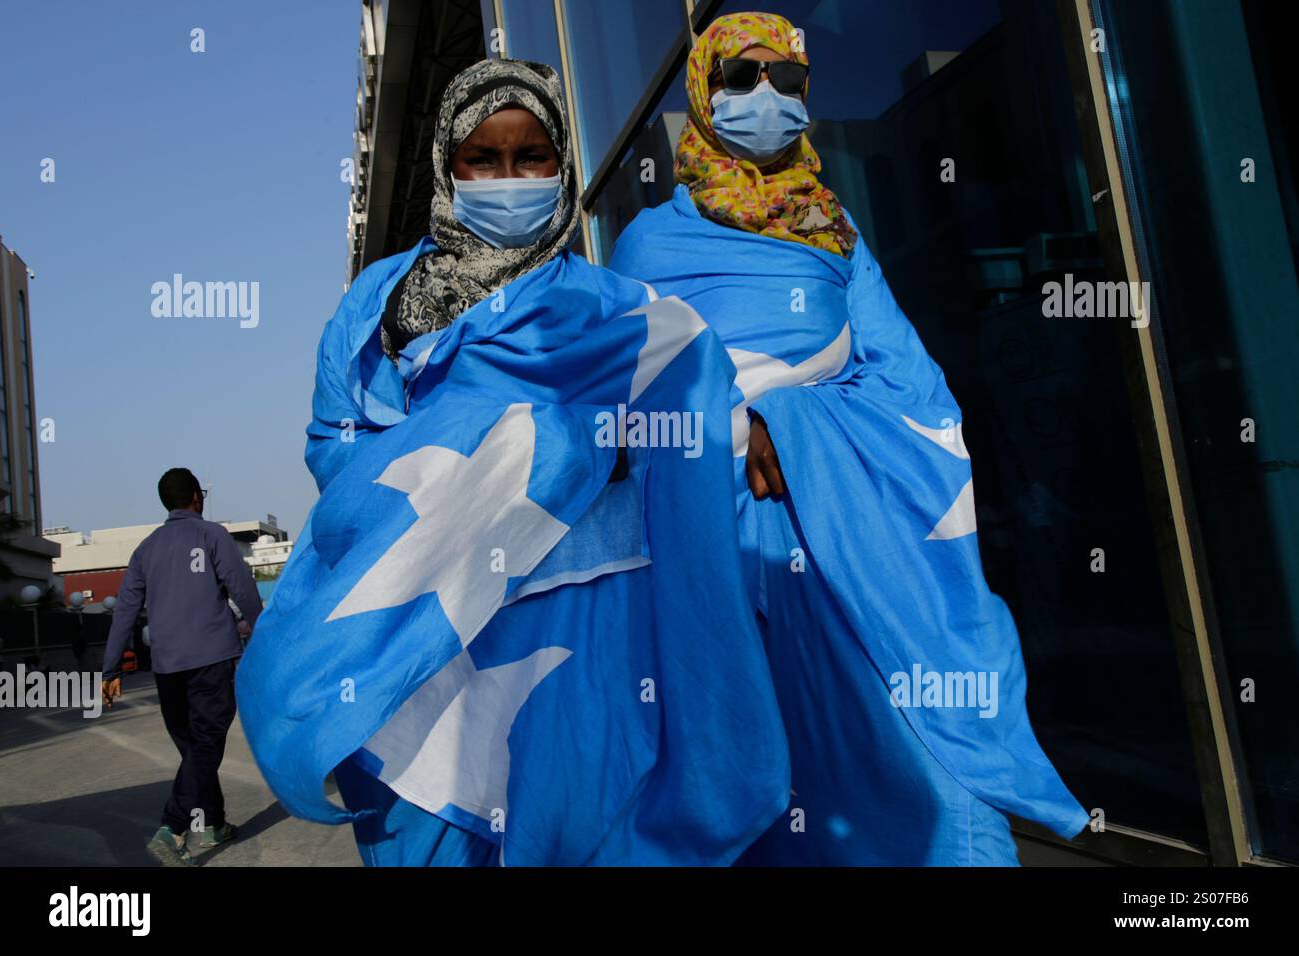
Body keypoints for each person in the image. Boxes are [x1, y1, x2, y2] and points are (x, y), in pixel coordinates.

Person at [236, 59, 789, 866]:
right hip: (427, 627)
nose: (508, 178)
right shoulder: (377, 308)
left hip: (585, 616)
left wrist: (750, 425)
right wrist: (504, 457)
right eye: (483, 160)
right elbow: (337, 444)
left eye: (531, 158)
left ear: (562, 165)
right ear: (446, 167)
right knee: (432, 831)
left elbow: (695, 403)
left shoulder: (616, 307)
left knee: (576, 813)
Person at [609, 12, 1088, 865]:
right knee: (768, 780)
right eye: (741, 79)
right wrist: (725, 435)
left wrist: (790, 426)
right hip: (727, 556)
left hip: (860, 540)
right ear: (702, 94)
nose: (766, 96)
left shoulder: (834, 230)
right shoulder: (649, 245)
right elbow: (625, 407)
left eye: (785, 81)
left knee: (926, 783)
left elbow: (909, 380)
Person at [101, 467, 263, 866]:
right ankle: (173, 828)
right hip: (211, 659)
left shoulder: (145, 549)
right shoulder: (212, 535)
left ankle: (212, 824)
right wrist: (264, 634)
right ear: (196, 497)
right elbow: (242, 588)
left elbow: (124, 611)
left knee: (195, 749)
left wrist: (110, 671)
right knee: (206, 745)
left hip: (167, 666)